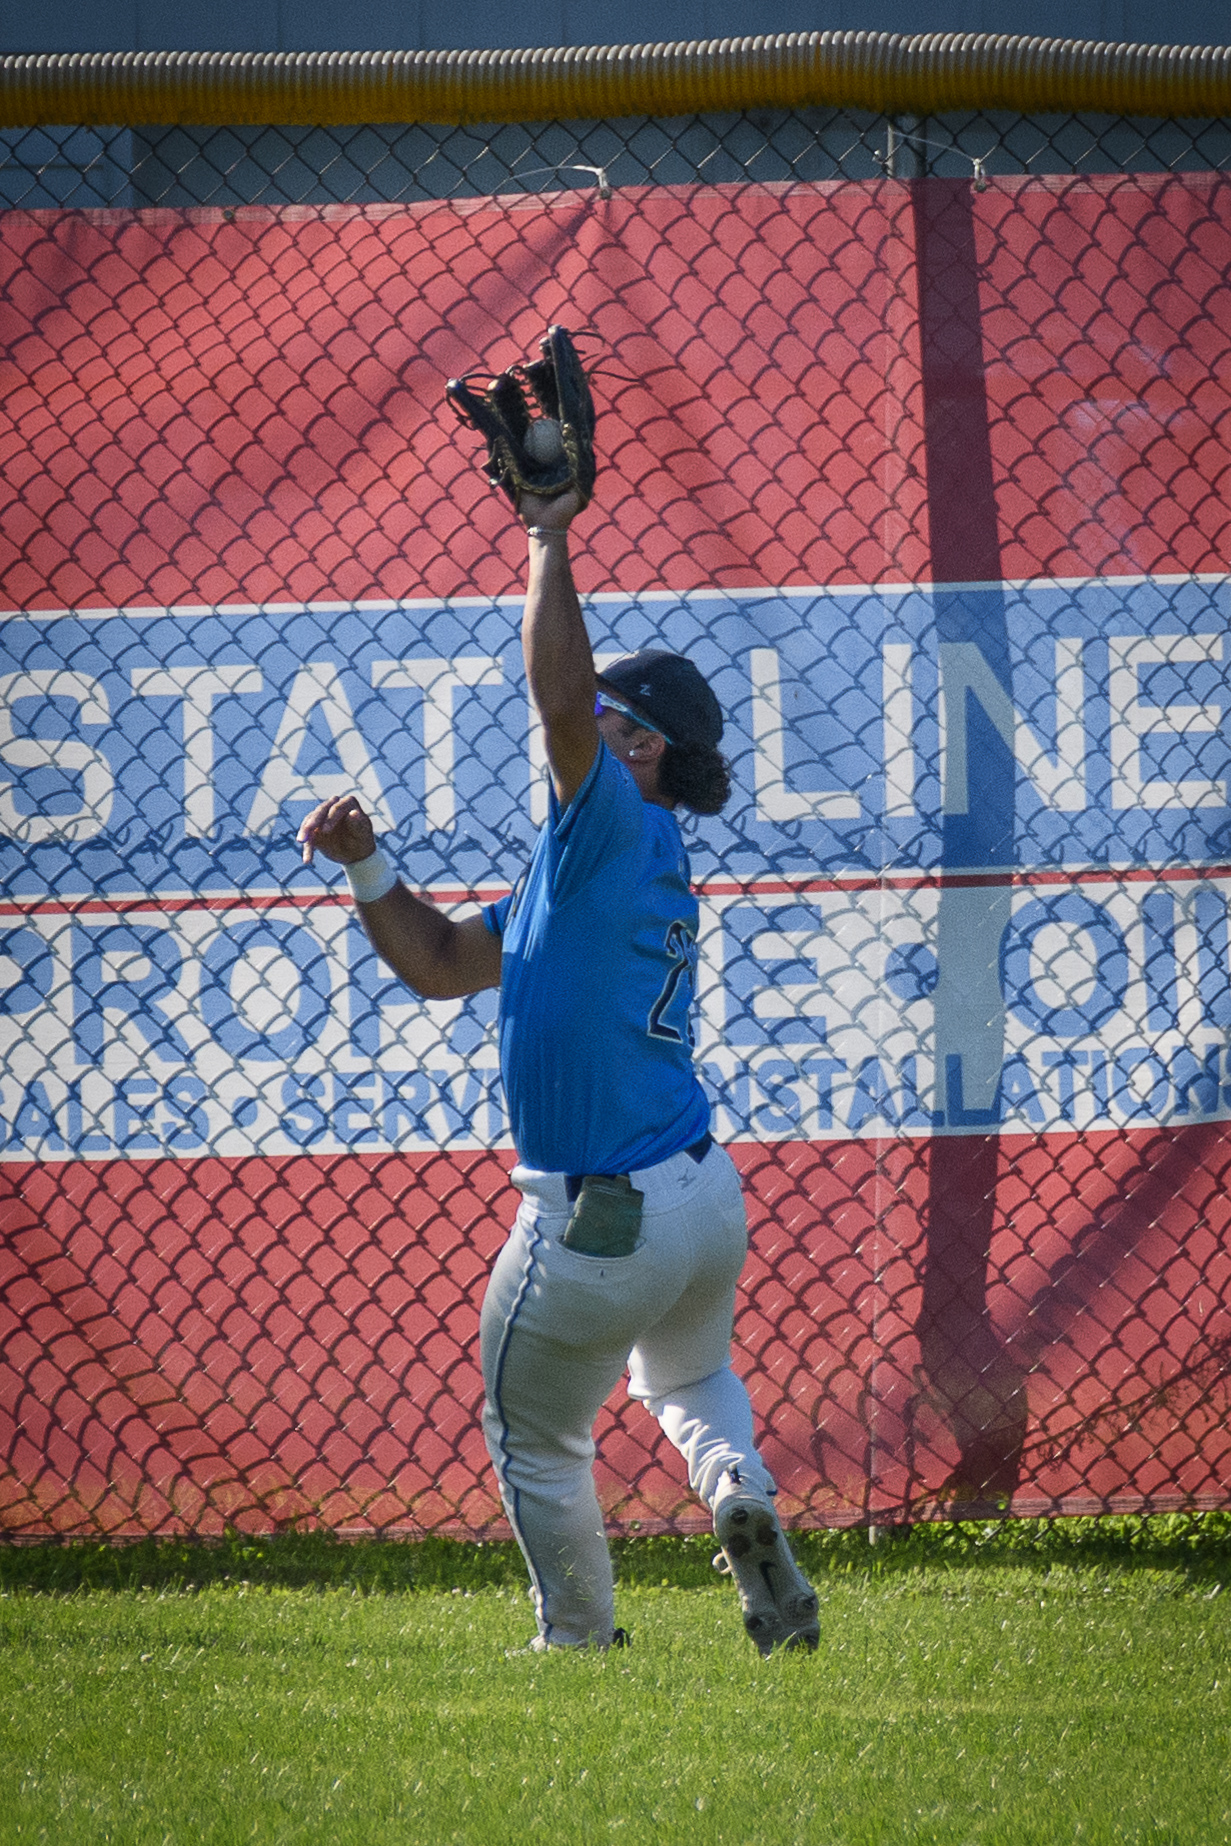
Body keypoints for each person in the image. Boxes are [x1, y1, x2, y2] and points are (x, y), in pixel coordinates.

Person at [297, 480, 819, 1656]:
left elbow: (556, 704)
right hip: (698, 1196)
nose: (581, 729)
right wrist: (369, 866)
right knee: (687, 1381)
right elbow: (441, 963)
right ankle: (736, 1487)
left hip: (601, 1214)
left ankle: (577, 1639)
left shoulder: (615, 823)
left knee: (535, 1436)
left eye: (609, 718)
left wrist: (546, 535)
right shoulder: (588, 863)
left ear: (643, 748)